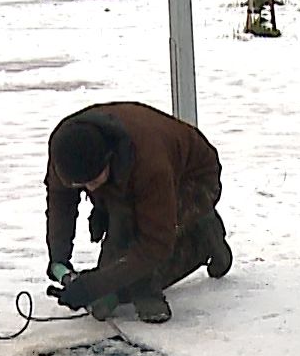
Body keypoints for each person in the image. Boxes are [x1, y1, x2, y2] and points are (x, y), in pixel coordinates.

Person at [44, 102, 233, 323]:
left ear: (110, 158)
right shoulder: (65, 149)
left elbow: (155, 245)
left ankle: (204, 239)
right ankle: (137, 285)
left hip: (193, 180)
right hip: (130, 180)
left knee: (132, 252)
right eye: (81, 185)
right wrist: (59, 256)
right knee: (114, 274)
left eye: (94, 181)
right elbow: (60, 200)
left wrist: (95, 284)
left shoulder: (150, 164)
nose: (90, 189)